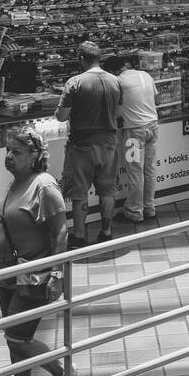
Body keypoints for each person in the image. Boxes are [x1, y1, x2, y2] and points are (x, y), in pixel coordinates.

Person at [0, 127, 72, 376]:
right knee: (15, 342)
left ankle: (63, 371)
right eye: (8, 150)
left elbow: (60, 232)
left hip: (31, 275)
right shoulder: (17, 182)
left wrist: (57, 274)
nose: (9, 157)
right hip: (6, 275)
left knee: (17, 338)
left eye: (17, 152)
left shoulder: (44, 185)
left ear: (34, 156)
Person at [55, 41, 123, 247]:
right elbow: (119, 113)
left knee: (79, 193)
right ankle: (107, 231)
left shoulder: (74, 82)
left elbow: (61, 116)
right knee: (107, 190)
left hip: (82, 145)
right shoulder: (115, 81)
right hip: (109, 144)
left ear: (81, 59)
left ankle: (79, 235)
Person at [109, 52, 159, 224]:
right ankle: (149, 207)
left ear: (114, 71)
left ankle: (134, 211)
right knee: (149, 169)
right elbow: (156, 99)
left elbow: (115, 108)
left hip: (134, 132)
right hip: (153, 127)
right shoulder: (145, 74)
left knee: (134, 172)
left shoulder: (118, 81)